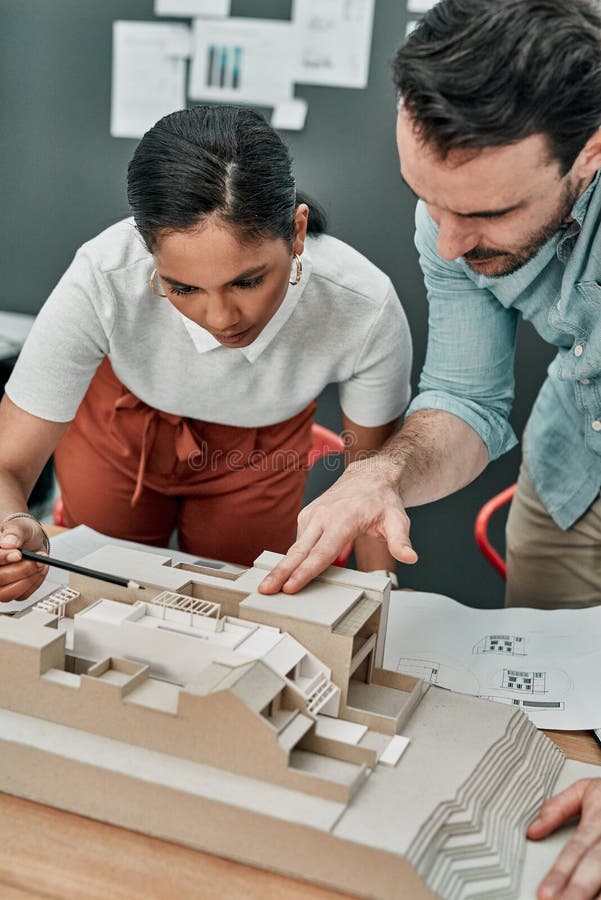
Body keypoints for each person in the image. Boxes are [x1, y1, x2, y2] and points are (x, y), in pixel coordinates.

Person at [259, 1, 601, 897]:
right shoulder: (453, 216)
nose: (446, 242)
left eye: (484, 212)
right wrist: (383, 471)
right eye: (427, 199)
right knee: (565, 737)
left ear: (590, 153)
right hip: (572, 471)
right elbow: (466, 399)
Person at [0, 105, 412, 602]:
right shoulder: (103, 275)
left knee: (246, 598)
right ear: (148, 253)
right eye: (182, 288)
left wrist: (382, 599)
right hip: (118, 427)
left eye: (248, 281)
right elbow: (8, 464)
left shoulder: (363, 305)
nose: (221, 318)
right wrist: (14, 526)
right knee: (99, 591)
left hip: (262, 450)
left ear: (298, 232)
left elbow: (371, 484)